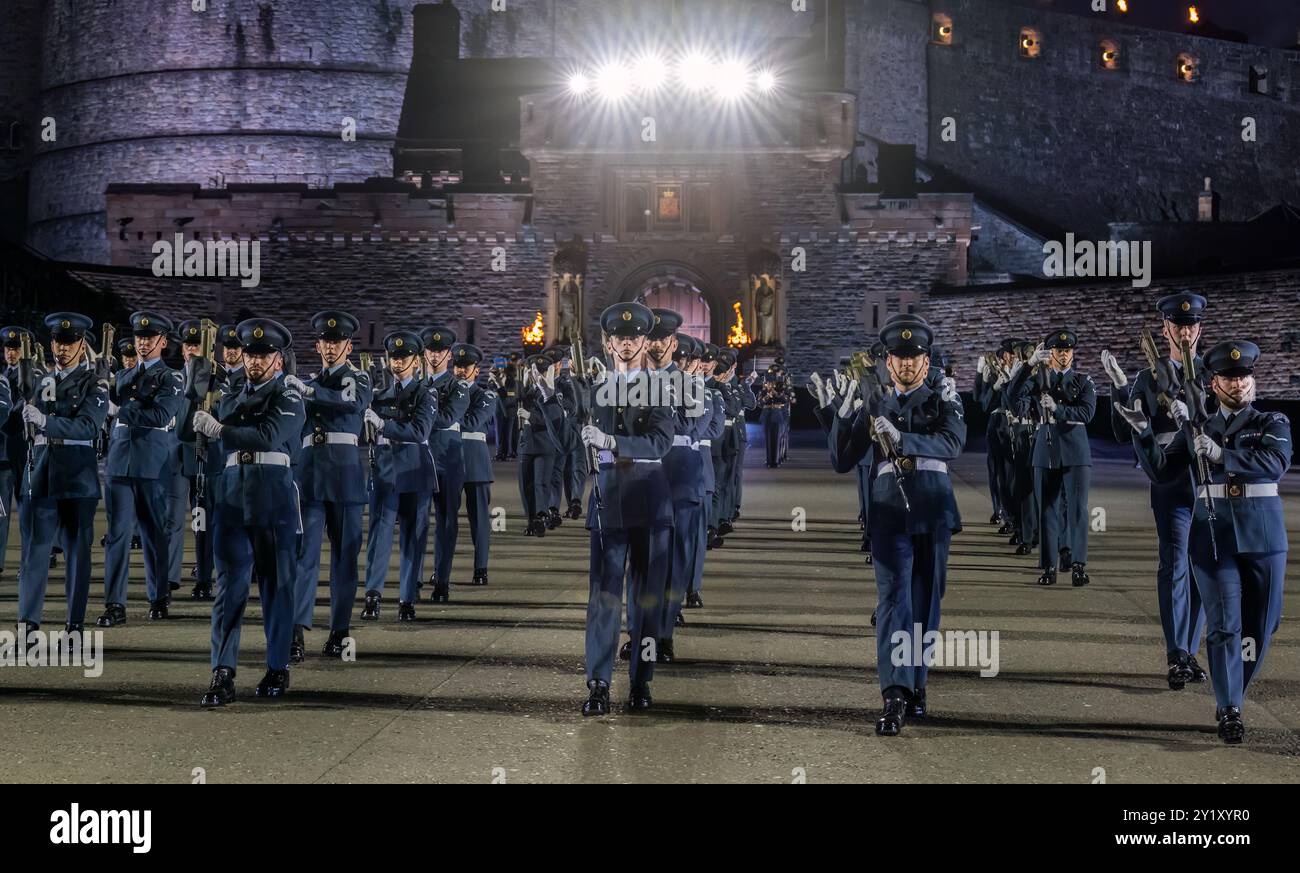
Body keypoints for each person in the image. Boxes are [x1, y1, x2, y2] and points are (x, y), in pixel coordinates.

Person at [1117, 340, 1289, 745]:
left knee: (1262, 627)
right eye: (1230, 377)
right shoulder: (1198, 429)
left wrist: (1221, 455)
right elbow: (1162, 472)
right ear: (1214, 384)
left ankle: (1234, 689)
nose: (1239, 383)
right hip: (1213, 534)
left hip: (1263, 536)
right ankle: (1230, 706)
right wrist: (1142, 431)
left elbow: (1275, 464)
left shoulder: (1271, 422)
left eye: (1245, 376)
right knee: (1223, 625)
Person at [829, 315, 965, 736]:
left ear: (926, 362)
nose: (907, 365)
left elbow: (953, 442)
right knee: (893, 599)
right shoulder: (875, 401)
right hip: (888, 511)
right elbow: (841, 459)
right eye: (899, 358)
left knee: (926, 600)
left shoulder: (943, 397)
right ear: (888, 362)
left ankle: (916, 682)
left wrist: (904, 440)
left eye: (915, 357)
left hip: (933, 507)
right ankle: (894, 693)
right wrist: (844, 412)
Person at [191, 318, 306, 705]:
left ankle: (277, 667)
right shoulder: (227, 394)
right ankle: (222, 670)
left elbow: (269, 435)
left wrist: (221, 430)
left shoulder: (289, 395)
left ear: (278, 359)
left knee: (275, 585)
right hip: (231, 493)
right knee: (230, 588)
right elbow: (203, 431)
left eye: (264, 355)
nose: (256, 361)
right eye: (251, 354)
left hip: (272, 495)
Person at [1104, 292, 1211, 689]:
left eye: (1191, 324)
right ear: (1165, 328)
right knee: (1175, 563)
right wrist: (1118, 388)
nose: (1185, 331)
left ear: (1200, 328)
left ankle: (1190, 649)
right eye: (1178, 325)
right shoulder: (1147, 378)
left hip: (1207, 477)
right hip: (1170, 476)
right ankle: (1175, 654)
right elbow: (1120, 431)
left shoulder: (1212, 371)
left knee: (1203, 567)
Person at [579, 302, 674, 716]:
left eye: (634, 336)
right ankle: (598, 681)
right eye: (620, 336)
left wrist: (612, 442)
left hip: (648, 499)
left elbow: (660, 442)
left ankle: (641, 680)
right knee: (603, 596)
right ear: (608, 342)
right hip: (608, 499)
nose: (627, 341)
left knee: (645, 599)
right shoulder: (594, 387)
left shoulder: (662, 388)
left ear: (644, 342)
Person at [16, 313, 108, 635]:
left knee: (77, 555)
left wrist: (44, 421)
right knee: (34, 553)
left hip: (76, 474)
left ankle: (74, 625)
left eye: (69, 342)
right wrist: (24, 415)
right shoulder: (40, 380)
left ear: (82, 344)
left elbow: (89, 425)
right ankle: (28, 623)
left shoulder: (94, 383)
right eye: (57, 341)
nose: (62, 347)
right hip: (42, 470)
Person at [288, 311, 371, 659]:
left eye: (338, 341)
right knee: (303, 556)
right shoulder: (306, 382)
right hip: (311, 474)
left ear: (348, 346)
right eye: (326, 340)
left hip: (345, 475)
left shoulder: (359, 378)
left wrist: (308, 390)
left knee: (344, 558)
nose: (331, 346)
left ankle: (339, 629)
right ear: (318, 345)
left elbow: (349, 400)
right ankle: (295, 629)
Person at [99, 311, 185, 625]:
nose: (143, 342)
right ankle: (114, 605)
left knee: (154, 534)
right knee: (117, 536)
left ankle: (159, 596)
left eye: (149, 337)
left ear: (163, 342)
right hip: (121, 460)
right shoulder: (123, 375)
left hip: (152, 462)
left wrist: (123, 409)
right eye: (139, 337)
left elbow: (160, 416)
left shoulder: (170, 377)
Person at [1008, 329, 1096, 587]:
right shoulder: (1039, 379)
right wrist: (1029, 365)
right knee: (1046, 510)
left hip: (1076, 450)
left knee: (1078, 509)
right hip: (1045, 449)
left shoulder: (1082, 380)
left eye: (1067, 351)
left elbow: (1087, 412)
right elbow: (1013, 399)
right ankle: (1049, 566)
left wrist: (1058, 410)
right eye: (1059, 351)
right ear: (1051, 354)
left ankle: (1078, 564)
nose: (1064, 355)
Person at [361, 331, 436, 622]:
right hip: (386, 469)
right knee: (379, 536)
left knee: (412, 536)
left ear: (416, 361)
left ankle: (407, 598)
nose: (398, 361)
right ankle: (373, 596)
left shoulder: (425, 394)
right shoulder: (379, 395)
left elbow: (420, 431)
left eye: (404, 357)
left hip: (415, 469)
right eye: (394, 357)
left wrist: (383, 424)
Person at [421, 326, 471, 602]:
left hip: (447, 459)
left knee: (446, 522)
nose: (435, 355)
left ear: (448, 355)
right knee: (416, 522)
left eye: (440, 351)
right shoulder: (418, 383)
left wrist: (420, 413)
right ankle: (413, 580)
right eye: (431, 350)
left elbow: (446, 417)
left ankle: (442, 579)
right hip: (419, 458)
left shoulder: (458, 387)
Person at [452, 343, 495, 586]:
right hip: (449, 459)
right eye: (457, 366)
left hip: (475, 462)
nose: (460, 370)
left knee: (479, 521)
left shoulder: (485, 395)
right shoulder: (444, 392)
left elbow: (473, 421)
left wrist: (448, 415)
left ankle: (481, 567)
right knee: (447, 520)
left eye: (465, 366)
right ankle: (442, 567)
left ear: (475, 370)